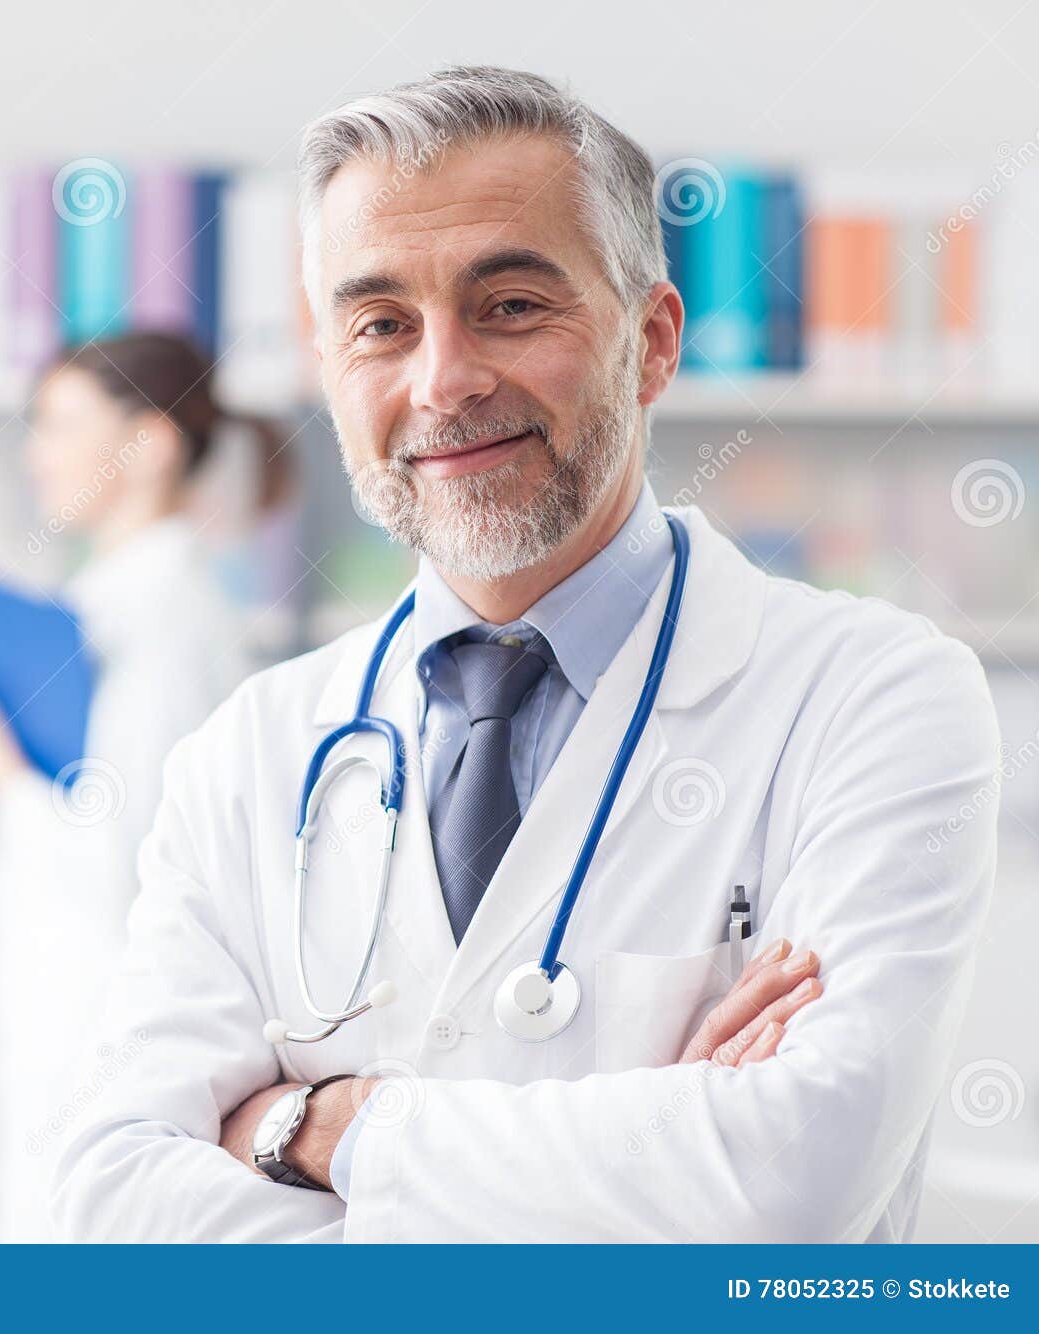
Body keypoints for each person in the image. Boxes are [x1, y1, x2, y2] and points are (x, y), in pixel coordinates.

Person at [50, 68, 999, 1243]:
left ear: (649, 343)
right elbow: (108, 1203)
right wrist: (659, 1149)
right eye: (381, 324)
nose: (443, 379)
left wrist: (320, 1129)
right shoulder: (248, 752)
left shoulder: (875, 697)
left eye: (508, 305)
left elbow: (791, 1186)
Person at [0, 331, 268, 1240]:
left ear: (149, 446)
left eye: (60, 426)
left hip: (104, 1044)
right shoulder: (109, 604)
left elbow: (126, 867)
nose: (37, 454)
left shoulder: (166, 621)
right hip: (56, 1029)